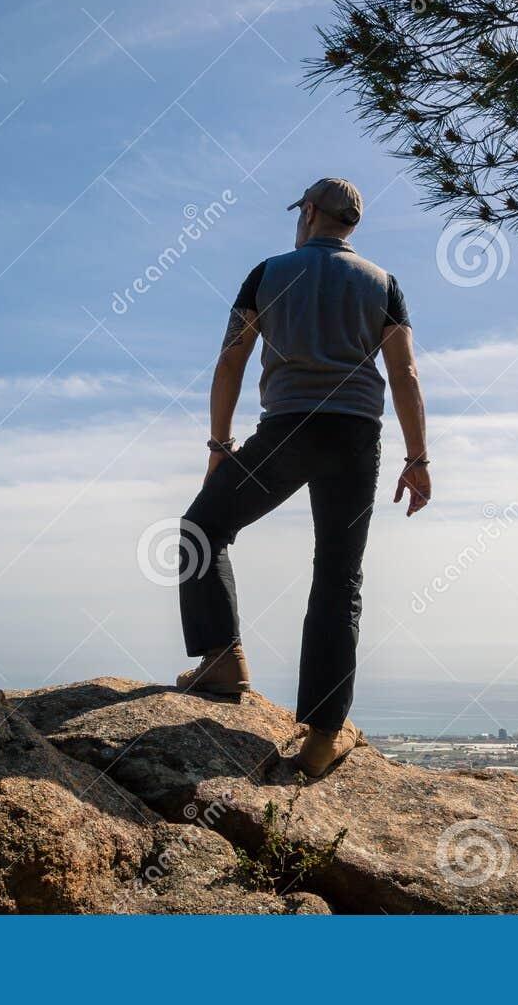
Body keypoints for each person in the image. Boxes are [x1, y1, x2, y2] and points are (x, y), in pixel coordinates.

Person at [175, 177, 431, 777]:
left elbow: (231, 359)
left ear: (309, 213)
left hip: (287, 430)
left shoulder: (267, 273)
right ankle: (321, 739)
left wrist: (219, 445)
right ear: (352, 224)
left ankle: (222, 658)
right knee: (339, 577)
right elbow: (406, 374)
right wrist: (417, 459)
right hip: (354, 436)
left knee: (200, 530)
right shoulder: (383, 284)